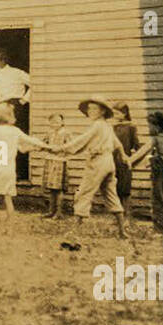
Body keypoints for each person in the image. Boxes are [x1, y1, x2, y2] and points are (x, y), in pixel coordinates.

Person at [0, 103, 53, 222]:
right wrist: (46, 146)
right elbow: (29, 142)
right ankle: (11, 222)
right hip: (9, 170)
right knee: (8, 198)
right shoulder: (15, 131)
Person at [60, 96, 128, 241]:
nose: (91, 111)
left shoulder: (97, 125)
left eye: (94, 108)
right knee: (111, 194)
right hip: (108, 162)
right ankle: (122, 231)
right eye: (89, 108)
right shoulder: (107, 126)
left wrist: (63, 148)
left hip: (98, 161)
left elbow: (82, 140)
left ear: (102, 111)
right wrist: (123, 156)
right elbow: (118, 145)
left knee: (83, 193)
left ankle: (74, 233)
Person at [130, 110, 163, 233]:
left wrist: (128, 161)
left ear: (156, 127)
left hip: (161, 173)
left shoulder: (155, 139)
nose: (148, 128)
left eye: (150, 126)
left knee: (159, 200)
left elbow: (141, 152)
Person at [0, 51, 32, 179]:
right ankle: (1, 172)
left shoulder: (17, 73)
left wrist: (24, 100)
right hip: (1, 105)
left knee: (16, 136)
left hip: (15, 105)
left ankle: (19, 172)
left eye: (2, 58)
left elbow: (34, 83)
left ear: (7, 59)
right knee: (1, 137)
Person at [111, 101, 141, 223]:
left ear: (124, 113)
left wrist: (132, 157)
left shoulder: (131, 127)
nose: (115, 115)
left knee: (125, 190)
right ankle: (118, 216)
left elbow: (137, 145)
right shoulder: (113, 127)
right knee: (115, 188)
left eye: (117, 113)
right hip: (113, 161)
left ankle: (126, 215)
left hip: (125, 162)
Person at [41, 112, 72, 219]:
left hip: (60, 161)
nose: (55, 124)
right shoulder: (49, 133)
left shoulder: (66, 133)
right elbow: (43, 144)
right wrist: (45, 147)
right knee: (51, 188)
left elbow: (70, 146)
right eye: (52, 122)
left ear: (62, 122)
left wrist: (60, 149)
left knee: (59, 189)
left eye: (57, 122)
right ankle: (51, 210)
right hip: (50, 161)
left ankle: (59, 212)